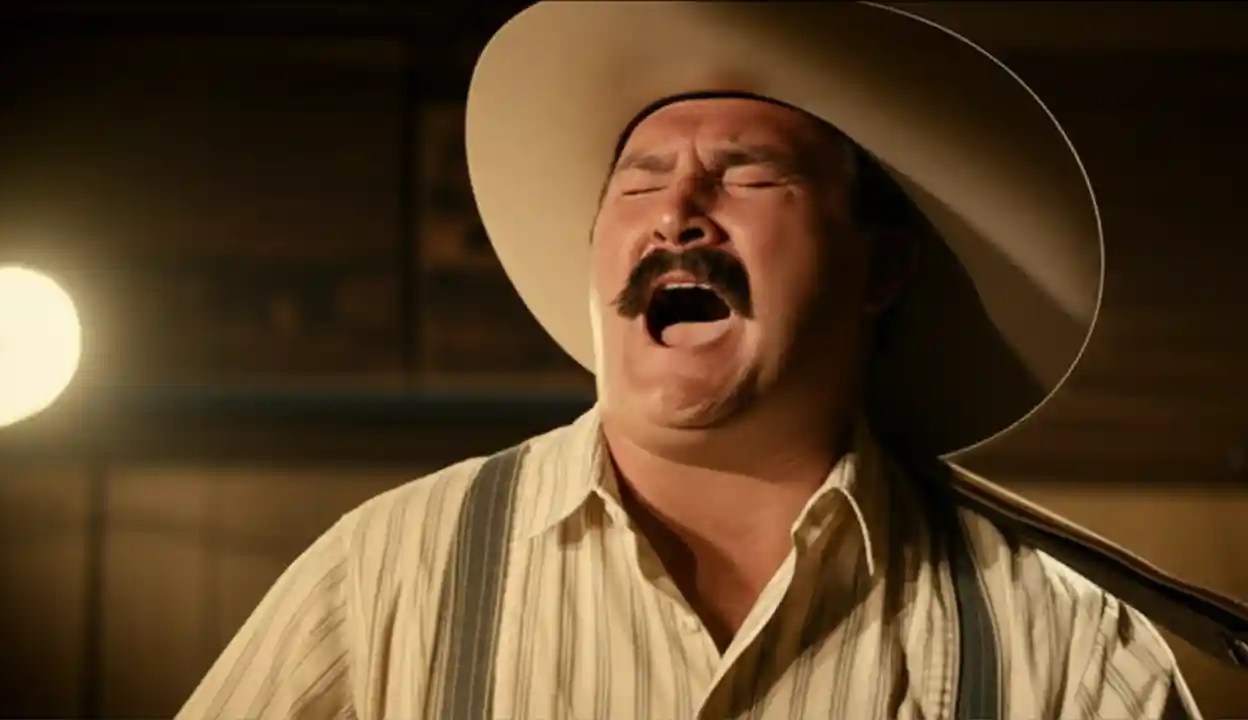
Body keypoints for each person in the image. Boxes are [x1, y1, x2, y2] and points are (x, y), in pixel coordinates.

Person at [178, 3, 1247, 719]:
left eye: (748, 179)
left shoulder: (1061, 644)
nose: (678, 214)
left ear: (878, 268)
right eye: (638, 185)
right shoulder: (389, 575)